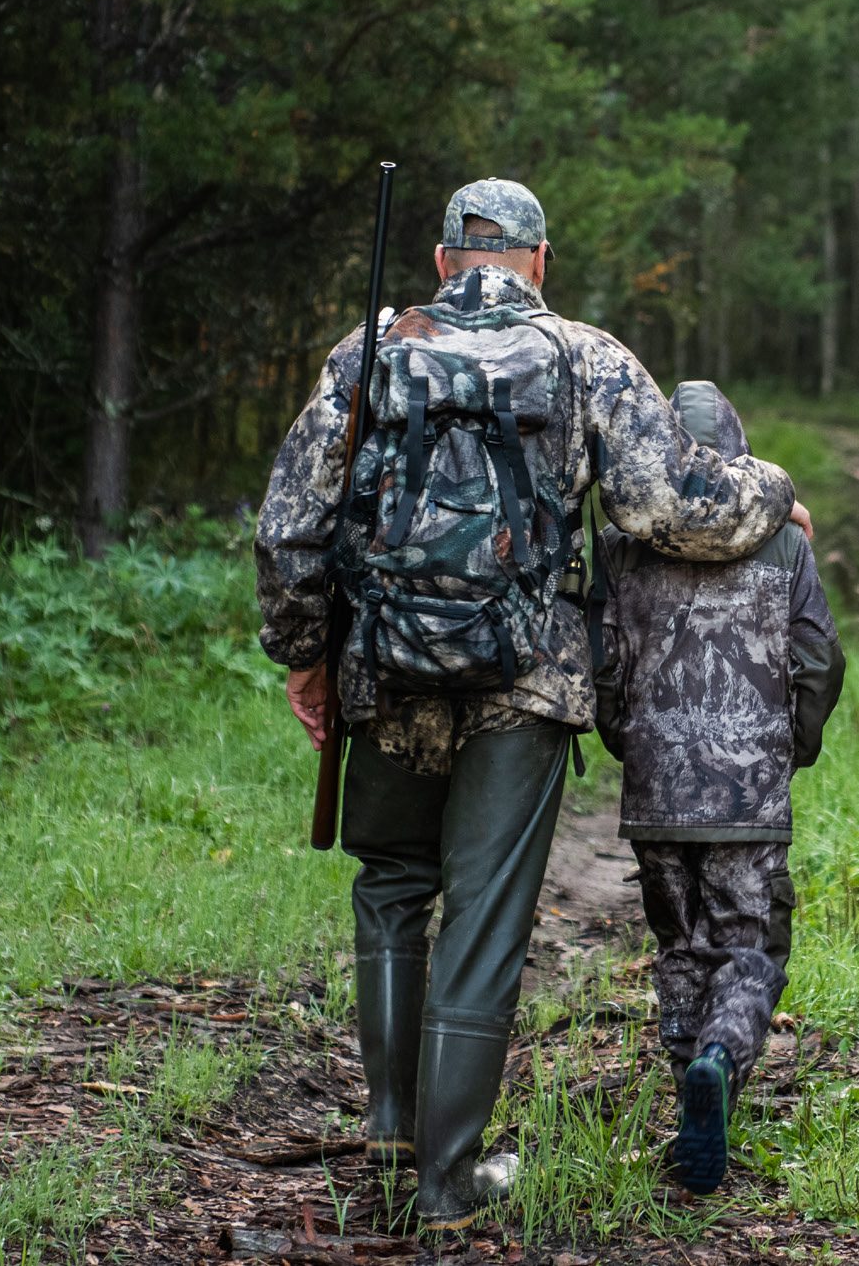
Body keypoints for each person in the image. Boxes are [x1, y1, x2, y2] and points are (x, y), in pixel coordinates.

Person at [253, 178, 810, 1232]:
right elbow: (670, 504)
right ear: (538, 261)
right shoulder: (583, 356)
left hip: (386, 664)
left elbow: (290, 529)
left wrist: (305, 655)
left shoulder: (365, 353)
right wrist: (774, 490)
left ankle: (389, 1129)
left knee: (389, 883)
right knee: (483, 922)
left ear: (440, 259)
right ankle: (448, 1184)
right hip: (525, 678)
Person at [594, 381, 844, 1194]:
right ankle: (716, 1066)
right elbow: (818, 659)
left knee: (680, 948)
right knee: (751, 948)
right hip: (748, 796)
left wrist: (628, 742)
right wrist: (790, 746)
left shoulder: (623, 544)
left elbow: (601, 664)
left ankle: (689, 1108)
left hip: (657, 791)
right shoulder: (783, 543)